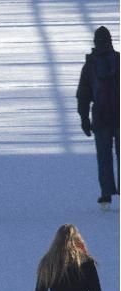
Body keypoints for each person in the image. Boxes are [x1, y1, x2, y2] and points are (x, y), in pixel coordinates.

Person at [77, 26, 120, 209]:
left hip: (100, 117)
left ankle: (106, 196)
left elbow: (83, 94)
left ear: (95, 42)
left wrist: (84, 118)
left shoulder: (90, 65)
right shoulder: (119, 61)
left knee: (103, 157)